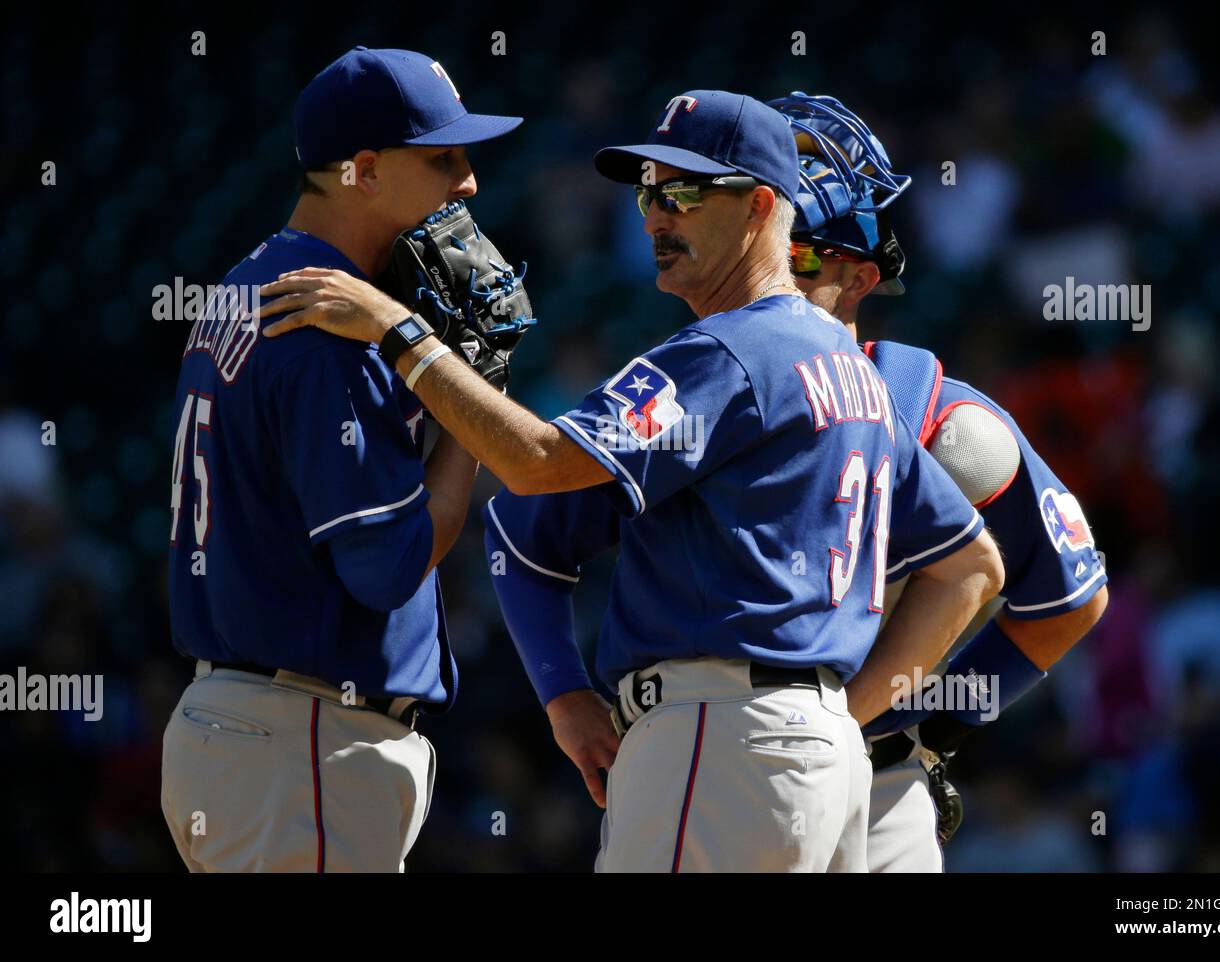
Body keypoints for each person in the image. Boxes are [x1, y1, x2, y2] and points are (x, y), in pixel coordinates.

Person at [258, 88, 1005, 871]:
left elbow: (538, 466)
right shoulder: (846, 371)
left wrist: (396, 331)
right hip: (822, 765)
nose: (655, 215)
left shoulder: (730, 353)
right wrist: (842, 720)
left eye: (682, 191)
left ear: (758, 206)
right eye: (648, 189)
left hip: (720, 743)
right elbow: (972, 567)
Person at [161, 47, 520, 872]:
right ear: (363, 169)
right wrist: (470, 399)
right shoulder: (328, 319)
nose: (468, 184)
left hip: (249, 729)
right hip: (302, 741)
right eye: (443, 159)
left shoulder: (247, 284)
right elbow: (388, 569)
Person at [769, 92, 1109, 871]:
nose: (771, 272)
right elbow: (532, 530)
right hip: (711, 754)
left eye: (799, 255)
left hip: (871, 782)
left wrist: (928, 726)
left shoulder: (935, 414)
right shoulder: (688, 391)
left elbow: (1068, 600)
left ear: (858, 274)